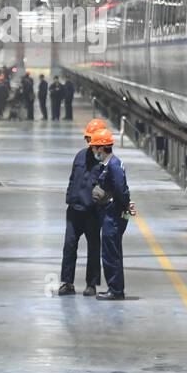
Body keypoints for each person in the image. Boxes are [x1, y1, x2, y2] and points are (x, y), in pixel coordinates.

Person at [58, 118, 108, 296]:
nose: (88, 142)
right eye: (87, 138)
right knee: (69, 246)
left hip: (92, 212)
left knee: (93, 248)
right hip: (74, 210)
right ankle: (67, 282)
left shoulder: (105, 162)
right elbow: (73, 178)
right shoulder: (80, 155)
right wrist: (69, 197)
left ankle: (91, 284)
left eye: (91, 138)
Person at [87, 128, 135, 300]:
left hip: (113, 216)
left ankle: (115, 290)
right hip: (112, 214)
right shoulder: (109, 164)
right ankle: (116, 288)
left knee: (110, 253)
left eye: (94, 148)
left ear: (101, 148)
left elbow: (122, 190)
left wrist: (124, 209)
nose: (93, 150)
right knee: (112, 251)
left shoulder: (113, 165)